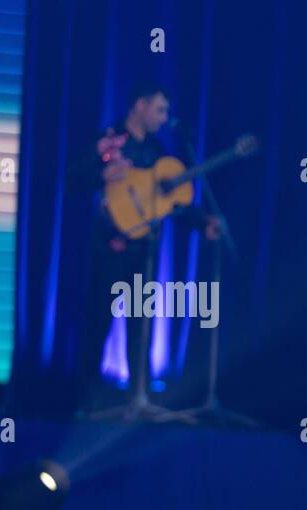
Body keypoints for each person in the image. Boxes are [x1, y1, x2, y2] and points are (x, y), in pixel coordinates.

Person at [68, 82, 222, 414]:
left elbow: (172, 204)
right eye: (160, 109)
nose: (165, 118)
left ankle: (137, 400)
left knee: (141, 325)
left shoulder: (157, 151)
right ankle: (86, 405)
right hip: (109, 247)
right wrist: (102, 174)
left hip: (145, 250)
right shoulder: (109, 141)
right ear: (139, 105)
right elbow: (73, 178)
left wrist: (202, 221)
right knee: (98, 323)